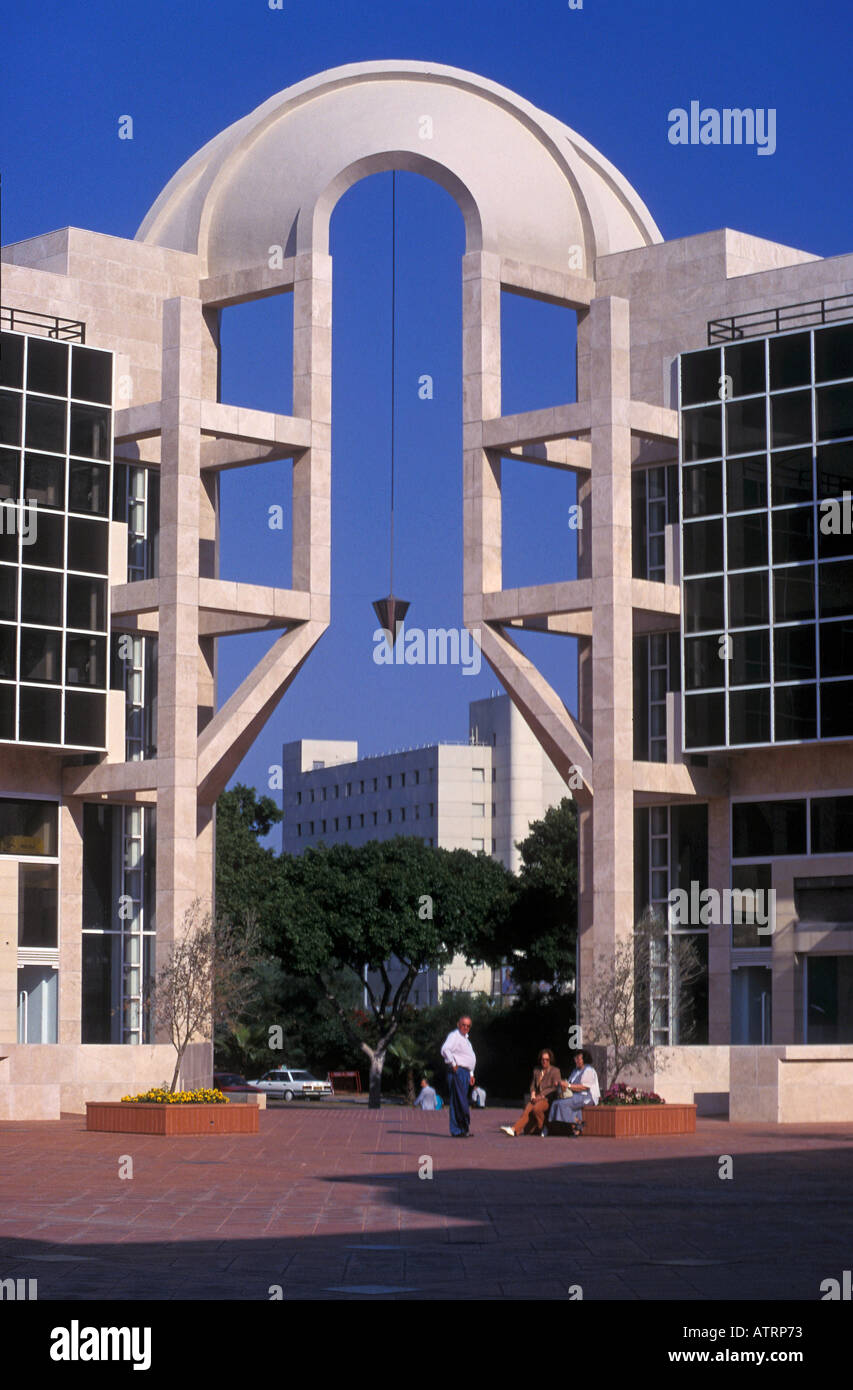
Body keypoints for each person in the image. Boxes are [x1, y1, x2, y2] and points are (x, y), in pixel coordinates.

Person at [500, 1049, 561, 1137]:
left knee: (536, 1109)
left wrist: (542, 1096)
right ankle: (514, 1130)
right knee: (527, 1111)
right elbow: (533, 1084)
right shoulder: (536, 1070)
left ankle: (544, 1126)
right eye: (543, 1059)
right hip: (536, 1097)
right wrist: (532, 1093)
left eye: (547, 1060)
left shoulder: (555, 1071)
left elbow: (554, 1087)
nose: (544, 1061)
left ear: (550, 1060)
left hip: (547, 1099)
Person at [547, 1049, 601, 1135]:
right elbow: (570, 1083)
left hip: (587, 1097)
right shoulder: (575, 1070)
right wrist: (560, 1083)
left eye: (578, 1059)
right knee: (556, 1103)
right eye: (575, 1058)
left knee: (563, 1104)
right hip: (576, 1095)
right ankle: (575, 1126)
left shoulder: (589, 1070)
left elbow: (584, 1087)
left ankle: (577, 1123)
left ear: (584, 1060)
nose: (576, 1060)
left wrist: (568, 1086)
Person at [440, 1015, 476, 1137]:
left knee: (462, 1101)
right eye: (463, 1025)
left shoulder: (466, 1039)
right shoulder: (454, 1036)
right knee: (457, 1101)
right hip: (458, 1072)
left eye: (468, 1026)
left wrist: (471, 1074)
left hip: (465, 1073)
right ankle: (457, 1130)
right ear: (458, 1024)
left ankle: (463, 1129)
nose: (465, 1027)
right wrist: (453, 1063)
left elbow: (469, 1058)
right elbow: (445, 1049)